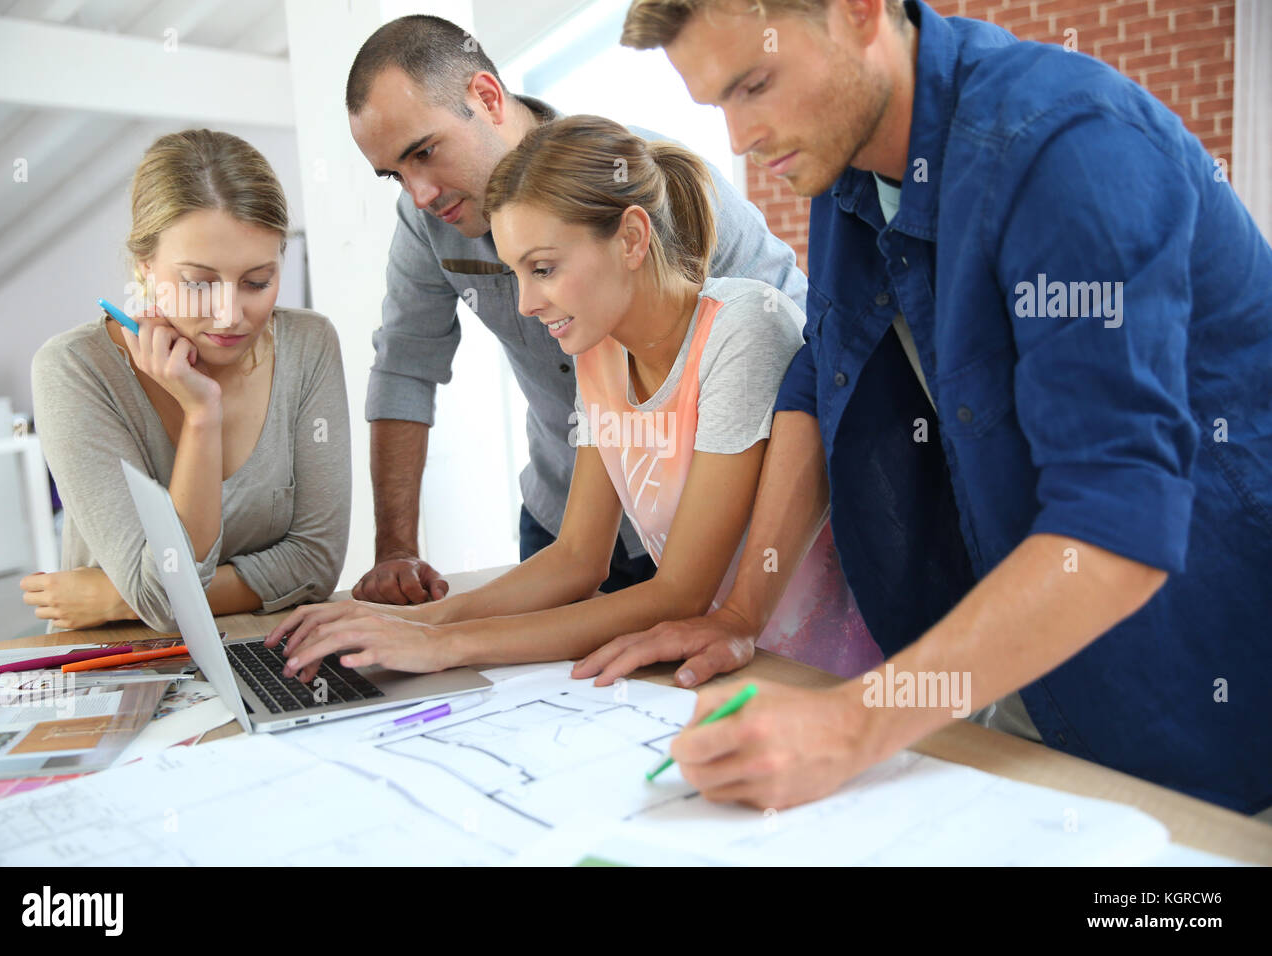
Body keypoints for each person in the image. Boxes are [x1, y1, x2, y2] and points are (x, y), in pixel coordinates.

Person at [607, 0, 1272, 817]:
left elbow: (1117, 520)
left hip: (1202, 683)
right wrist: (744, 611)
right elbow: (826, 372)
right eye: (718, 104)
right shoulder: (848, 165)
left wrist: (850, 726)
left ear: (859, 14)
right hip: (1023, 673)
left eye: (755, 84)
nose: (740, 137)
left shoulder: (1069, 148)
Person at [264, 116, 879, 684]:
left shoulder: (742, 327)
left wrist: (446, 646)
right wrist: (421, 622)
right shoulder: (601, 352)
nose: (527, 305)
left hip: (818, 669)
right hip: (714, 665)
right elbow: (579, 558)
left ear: (632, 238)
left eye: (545, 268)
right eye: (516, 273)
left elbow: (679, 593)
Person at [341, 14, 807, 606]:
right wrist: (396, 559)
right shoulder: (427, 224)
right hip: (566, 518)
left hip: (707, 521)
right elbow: (404, 367)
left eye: (425, 153)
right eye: (395, 175)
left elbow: (793, 339)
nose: (421, 194)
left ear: (485, 98)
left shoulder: (640, 182)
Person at [25, 129, 351, 634]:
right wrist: (202, 416)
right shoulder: (75, 369)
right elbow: (162, 596)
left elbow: (316, 563)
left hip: (271, 655)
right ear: (145, 267)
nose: (230, 316)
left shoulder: (309, 345)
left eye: (257, 282)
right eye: (198, 283)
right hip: (121, 670)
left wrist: (115, 597)